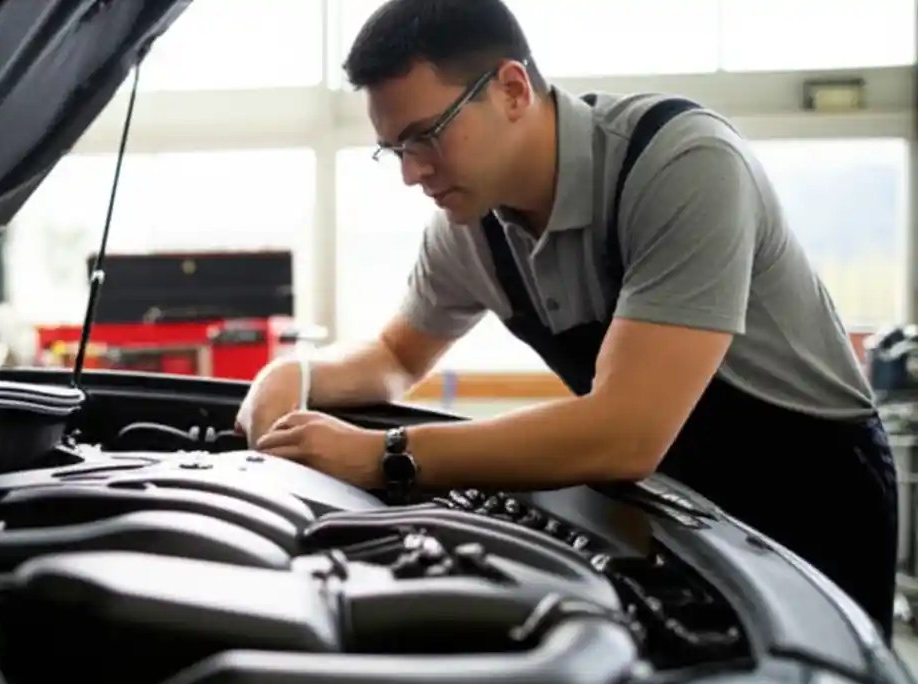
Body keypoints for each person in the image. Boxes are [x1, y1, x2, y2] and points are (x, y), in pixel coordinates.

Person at [235, 0, 899, 642]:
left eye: (425, 137)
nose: (412, 173)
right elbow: (394, 357)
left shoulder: (681, 165)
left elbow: (624, 433)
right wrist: (288, 374)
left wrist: (386, 457)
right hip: (678, 502)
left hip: (812, 494)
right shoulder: (471, 228)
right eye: (393, 149)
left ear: (513, 89)